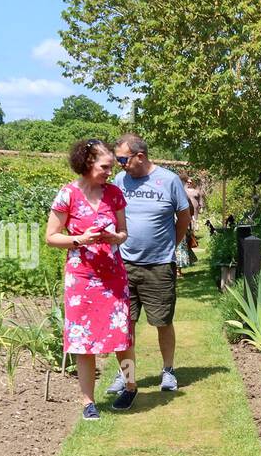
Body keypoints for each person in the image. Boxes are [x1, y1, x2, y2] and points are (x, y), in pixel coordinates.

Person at [44, 139, 138, 420]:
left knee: (123, 336)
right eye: (105, 166)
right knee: (82, 341)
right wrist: (78, 239)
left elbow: (123, 232)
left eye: (111, 167)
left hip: (112, 276)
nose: (110, 172)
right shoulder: (67, 195)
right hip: (81, 279)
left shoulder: (114, 194)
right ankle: (88, 402)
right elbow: (51, 237)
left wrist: (114, 237)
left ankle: (131, 386)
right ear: (87, 164)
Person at [106, 133, 191, 394]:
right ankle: (126, 375)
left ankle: (168, 371)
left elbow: (184, 217)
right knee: (125, 323)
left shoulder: (169, 180)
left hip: (158, 265)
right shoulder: (121, 180)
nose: (119, 164)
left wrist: (170, 248)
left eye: (122, 159)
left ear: (139, 156)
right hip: (125, 264)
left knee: (162, 321)